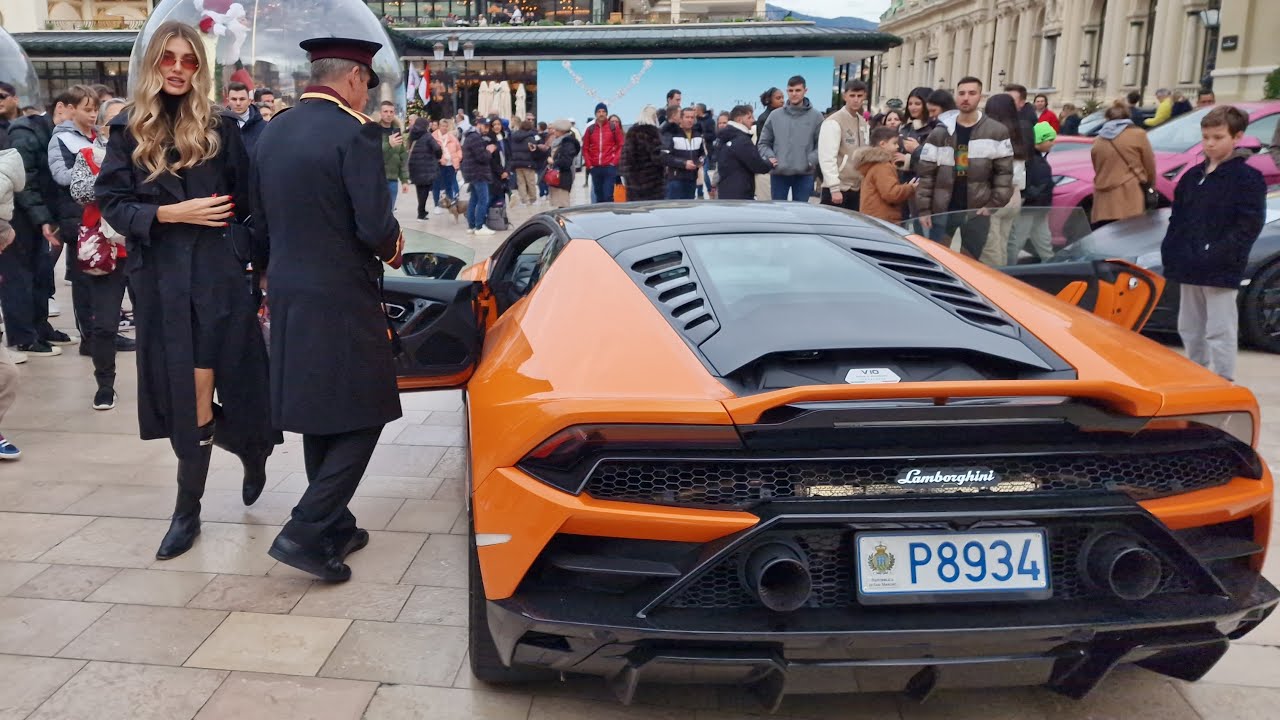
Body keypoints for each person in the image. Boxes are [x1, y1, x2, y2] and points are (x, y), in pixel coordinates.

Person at [96, 20, 278, 560]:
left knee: (228, 384)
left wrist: (253, 259)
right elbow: (112, 204)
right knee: (186, 391)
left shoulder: (221, 126)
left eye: (189, 60)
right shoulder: (128, 128)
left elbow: (253, 205)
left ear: (200, 68)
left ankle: (239, 458)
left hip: (221, 278)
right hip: (162, 282)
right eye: (169, 58)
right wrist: (169, 213)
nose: (178, 68)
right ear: (154, 63)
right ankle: (195, 501)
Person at [250, 35, 406, 582]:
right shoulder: (357, 134)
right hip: (342, 294)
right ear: (356, 79)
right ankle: (304, 529)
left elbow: (259, 221)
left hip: (290, 290)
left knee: (320, 410)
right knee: (368, 412)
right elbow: (374, 228)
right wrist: (396, 244)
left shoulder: (275, 129)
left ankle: (336, 526)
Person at [1160, 106, 1266, 382]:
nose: (1209, 143)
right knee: (1190, 326)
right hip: (1188, 262)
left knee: (1220, 328)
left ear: (1237, 137)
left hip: (1221, 266)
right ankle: (1196, 373)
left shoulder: (1247, 179)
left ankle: (1223, 379)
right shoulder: (1193, 176)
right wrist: (1171, 249)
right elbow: (1178, 218)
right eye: (1206, 136)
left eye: (1218, 137)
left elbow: (1248, 225)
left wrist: (1219, 252)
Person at [70, 97, 131, 409]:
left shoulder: (146, 152)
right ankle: (104, 384)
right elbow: (79, 192)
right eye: (116, 121)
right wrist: (112, 173)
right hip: (104, 251)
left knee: (157, 321)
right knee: (104, 325)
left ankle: (161, 383)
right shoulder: (87, 155)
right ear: (103, 126)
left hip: (140, 246)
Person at [915, 76, 1014, 259]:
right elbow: (926, 174)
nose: (966, 98)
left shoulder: (996, 131)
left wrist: (993, 204)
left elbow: (1005, 174)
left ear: (980, 97)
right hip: (943, 207)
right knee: (938, 258)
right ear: (955, 97)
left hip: (977, 210)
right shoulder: (940, 132)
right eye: (961, 93)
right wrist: (924, 210)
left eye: (972, 93)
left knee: (970, 261)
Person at [2, 92, 65, 358]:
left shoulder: (39, 128)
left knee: (40, 274)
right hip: (16, 217)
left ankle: (39, 329)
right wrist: (43, 219)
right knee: (18, 279)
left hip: (35, 215)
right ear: (63, 108)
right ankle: (23, 338)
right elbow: (24, 181)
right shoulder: (22, 131)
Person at [47, 86, 99, 353]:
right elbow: (60, 175)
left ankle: (103, 332)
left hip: (100, 216)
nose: (92, 115)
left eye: (95, 110)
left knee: (104, 274)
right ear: (71, 109)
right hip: (75, 217)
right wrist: (91, 170)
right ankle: (88, 337)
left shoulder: (98, 137)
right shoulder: (61, 139)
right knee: (84, 279)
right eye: (87, 109)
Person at [1090, 100, 1156, 226]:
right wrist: (1151, 184)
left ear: (1107, 118)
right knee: (1129, 236)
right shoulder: (1138, 135)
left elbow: (1096, 166)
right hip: (1130, 194)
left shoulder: (1098, 140)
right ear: (1127, 116)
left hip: (1102, 198)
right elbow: (1149, 164)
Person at [758, 75, 823, 202]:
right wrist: (771, 157)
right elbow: (763, 143)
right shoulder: (775, 115)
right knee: (778, 214)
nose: (794, 94)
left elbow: (822, 145)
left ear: (805, 90)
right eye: (791, 90)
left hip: (805, 174)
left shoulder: (816, 116)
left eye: (798, 90)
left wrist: (810, 160)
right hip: (779, 174)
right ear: (787, 91)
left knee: (801, 214)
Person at [980, 93, 1027, 266]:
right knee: (1003, 243)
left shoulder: (991, 134)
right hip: (1014, 194)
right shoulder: (1018, 133)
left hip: (994, 195)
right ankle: (1006, 278)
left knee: (990, 248)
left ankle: (994, 285)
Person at [1008, 121, 1057, 264]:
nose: (1053, 143)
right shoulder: (1032, 161)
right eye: (1050, 139)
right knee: (1018, 240)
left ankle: (1050, 265)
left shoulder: (1034, 159)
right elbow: (1026, 185)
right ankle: (1008, 271)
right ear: (1039, 140)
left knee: (1043, 240)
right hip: (1031, 208)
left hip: (1036, 208)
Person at [817, 79, 869, 210]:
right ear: (845, 96)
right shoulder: (833, 121)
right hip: (837, 188)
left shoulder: (863, 122)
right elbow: (827, 157)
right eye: (852, 95)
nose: (856, 100)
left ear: (865, 96)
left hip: (857, 187)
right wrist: (834, 188)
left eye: (859, 96)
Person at [852, 126, 917, 223]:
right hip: (884, 220)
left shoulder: (872, 164)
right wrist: (910, 188)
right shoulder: (883, 166)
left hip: (873, 217)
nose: (897, 147)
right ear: (883, 144)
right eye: (894, 143)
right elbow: (891, 194)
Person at [715, 104, 774, 201]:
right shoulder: (742, 140)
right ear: (739, 120)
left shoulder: (724, 137)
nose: (753, 120)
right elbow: (757, 165)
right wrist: (769, 163)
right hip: (740, 193)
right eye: (749, 117)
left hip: (725, 189)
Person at [660, 107, 707, 200]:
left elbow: (702, 153)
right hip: (675, 179)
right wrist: (683, 163)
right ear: (681, 118)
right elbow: (664, 156)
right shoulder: (671, 134)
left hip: (692, 178)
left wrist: (700, 161)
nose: (690, 120)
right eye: (687, 117)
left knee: (688, 209)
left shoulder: (698, 134)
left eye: (692, 117)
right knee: (674, 209)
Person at [620, 106, 665, 201]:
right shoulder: (652, 132)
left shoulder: (631, 131)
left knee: (637, 210)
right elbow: (657, 157)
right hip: (651, 181)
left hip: (632, 180)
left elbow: (626, 157)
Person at [461, 116, 496, 235]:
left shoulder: (470, 136)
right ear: (478, 124)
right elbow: (482, 157)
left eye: (488, 127)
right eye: (484, 126)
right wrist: (489, 151)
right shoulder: (475, 138)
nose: (486, 129)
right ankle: (479, 226)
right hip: (478, 173)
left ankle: (471, 226)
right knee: (483, 200)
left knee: (474, 199)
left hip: (472, 172)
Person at [582, 102, 623, 204]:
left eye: (604, 111)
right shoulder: (590, 129)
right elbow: (585, 148)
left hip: (609, 166)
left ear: (606, 114)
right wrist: (589, 164)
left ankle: (609, 216)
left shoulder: (613, 128)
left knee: (608, 195)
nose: (601, 114)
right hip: (595, 167)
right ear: (595, 114)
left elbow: (621, 145)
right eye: (599, 111)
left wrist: (614, 161)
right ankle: (601, 217)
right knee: (599, 195)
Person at [377, 101, 409, 215]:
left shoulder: (396, 131)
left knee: (388, 214)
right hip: (377, 179)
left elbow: (401, 157)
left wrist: (404, 180)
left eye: (391, 112)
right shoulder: (374, 131)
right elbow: (372, 154)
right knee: (377, 213)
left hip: (392, 180)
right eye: (385, 111)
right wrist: (388, 144)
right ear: (380, 113)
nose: (389, 114)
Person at [407, 117, 442, 220]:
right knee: (425, 190)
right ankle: (421, 212)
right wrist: (438, 156)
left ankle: (421, 210)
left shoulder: (412, 135)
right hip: (426, 167)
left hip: (414, 166)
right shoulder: (427, 136)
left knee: (419, 189)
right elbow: (437, 149)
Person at [542, 118, 579, 208]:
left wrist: (553, 162)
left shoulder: (568, 143)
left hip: (562, 179)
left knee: (563, 207)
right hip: (555, 179)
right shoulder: (557, 141)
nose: (554, 132)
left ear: (562, 131)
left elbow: (566, 162)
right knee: (556, 206)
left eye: (556, 130)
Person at [508, 118, 544, 206]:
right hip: (528, 162)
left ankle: (524, 199)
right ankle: (532, 199)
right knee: (530, 181)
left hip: (517, 163)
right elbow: (536, 149)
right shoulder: (531, 137)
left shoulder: (513, 136)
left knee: (521, 182)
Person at [224, 81, 265, 157]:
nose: (238, 103)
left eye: (242, 99)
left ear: (249, 101)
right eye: (234, 99)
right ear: (228, 101)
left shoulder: (264, 127)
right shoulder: (220, 125)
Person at [433, 117, 462, 212]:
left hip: (450, 164)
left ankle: (449, 203)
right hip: (438, 164)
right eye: (442, 126)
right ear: (439, 126)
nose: (444, 128)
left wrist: (458, 158)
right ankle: (436, 204)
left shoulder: (452, 138)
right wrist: (440, 159)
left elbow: (458, 149)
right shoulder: (433, 137)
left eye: (446, 126)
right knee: (436, 184)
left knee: (449, 185)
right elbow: (431, 151)